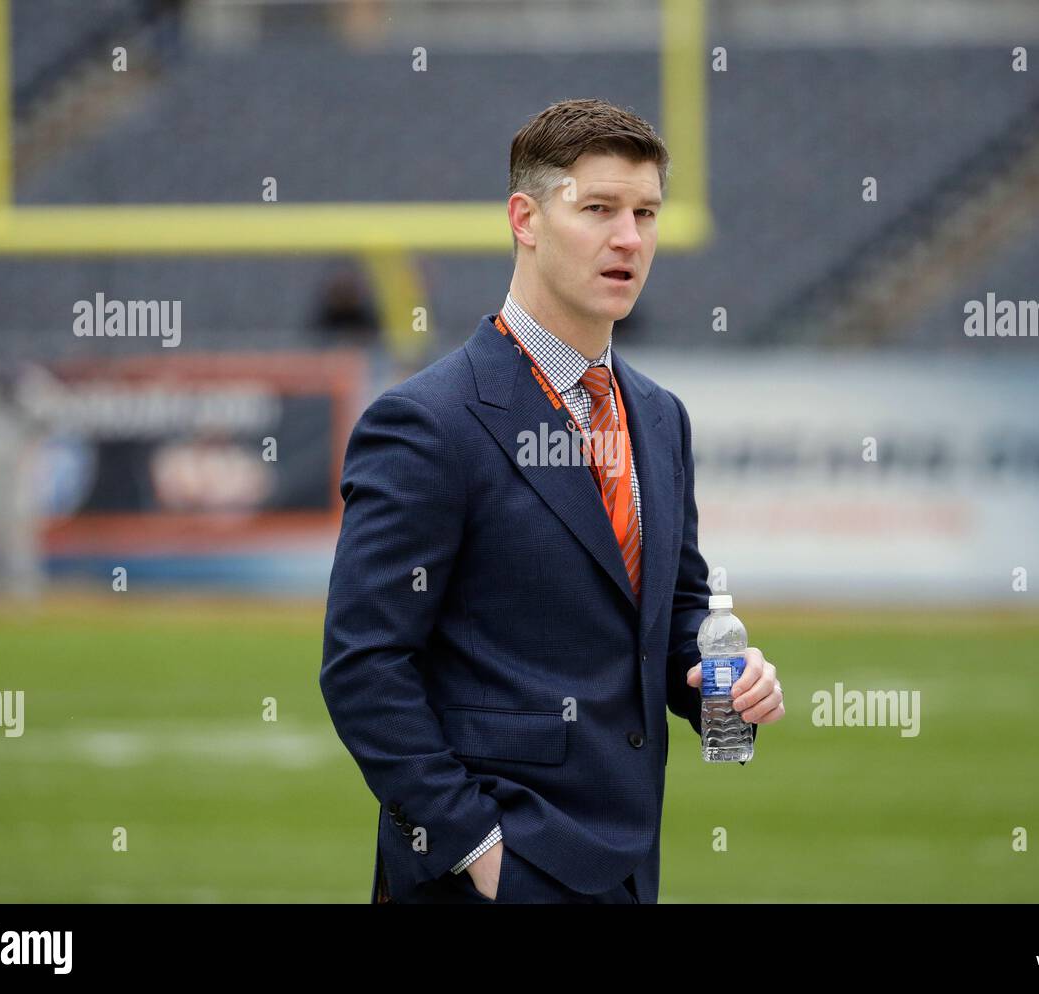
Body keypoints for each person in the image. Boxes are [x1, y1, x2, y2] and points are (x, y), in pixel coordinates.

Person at [319, 98, 785, 904]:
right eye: (598, 209)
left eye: (645, 213)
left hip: (629, 869)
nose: (629, 238)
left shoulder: (660, 416)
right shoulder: (427, 422)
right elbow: (363, 666)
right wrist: (477, 849)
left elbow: (674, 614)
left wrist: (723, 677)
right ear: (524, 219)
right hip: (490, 873)